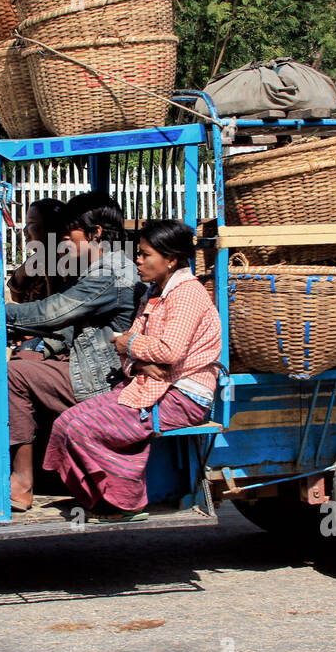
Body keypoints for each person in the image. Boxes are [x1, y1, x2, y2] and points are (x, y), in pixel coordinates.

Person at [0, 192, 140, 512]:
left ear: (96, 233)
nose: (65, 240)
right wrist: (33, 342)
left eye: (71, 233)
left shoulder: (110, 272)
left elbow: (55, 311)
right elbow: (67, 323)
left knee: (15, 375)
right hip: (90, 362)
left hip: (103, 377)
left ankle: (22, 482)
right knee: (25, 359)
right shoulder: (96, 267)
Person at [42, 220, 222, 522]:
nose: (137, 260)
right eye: (138, 253)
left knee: (80, 429)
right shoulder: (153, 293)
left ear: (172, 259)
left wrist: (133, 346)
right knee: (65, 424)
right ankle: (104, 497)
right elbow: (122, 347)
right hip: (147, 386)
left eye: (145, 254)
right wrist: (137, 358)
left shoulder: (186, 294)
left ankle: (126, 501)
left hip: (181, 397)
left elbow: (167, 351)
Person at [7, 198, 69, 304]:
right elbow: (18, 298)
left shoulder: (66, 263)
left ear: (51, 226)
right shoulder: (38, 259)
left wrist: (50, 278)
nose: (25, 230)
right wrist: (19, 274)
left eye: (31, 223)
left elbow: (55, 311)